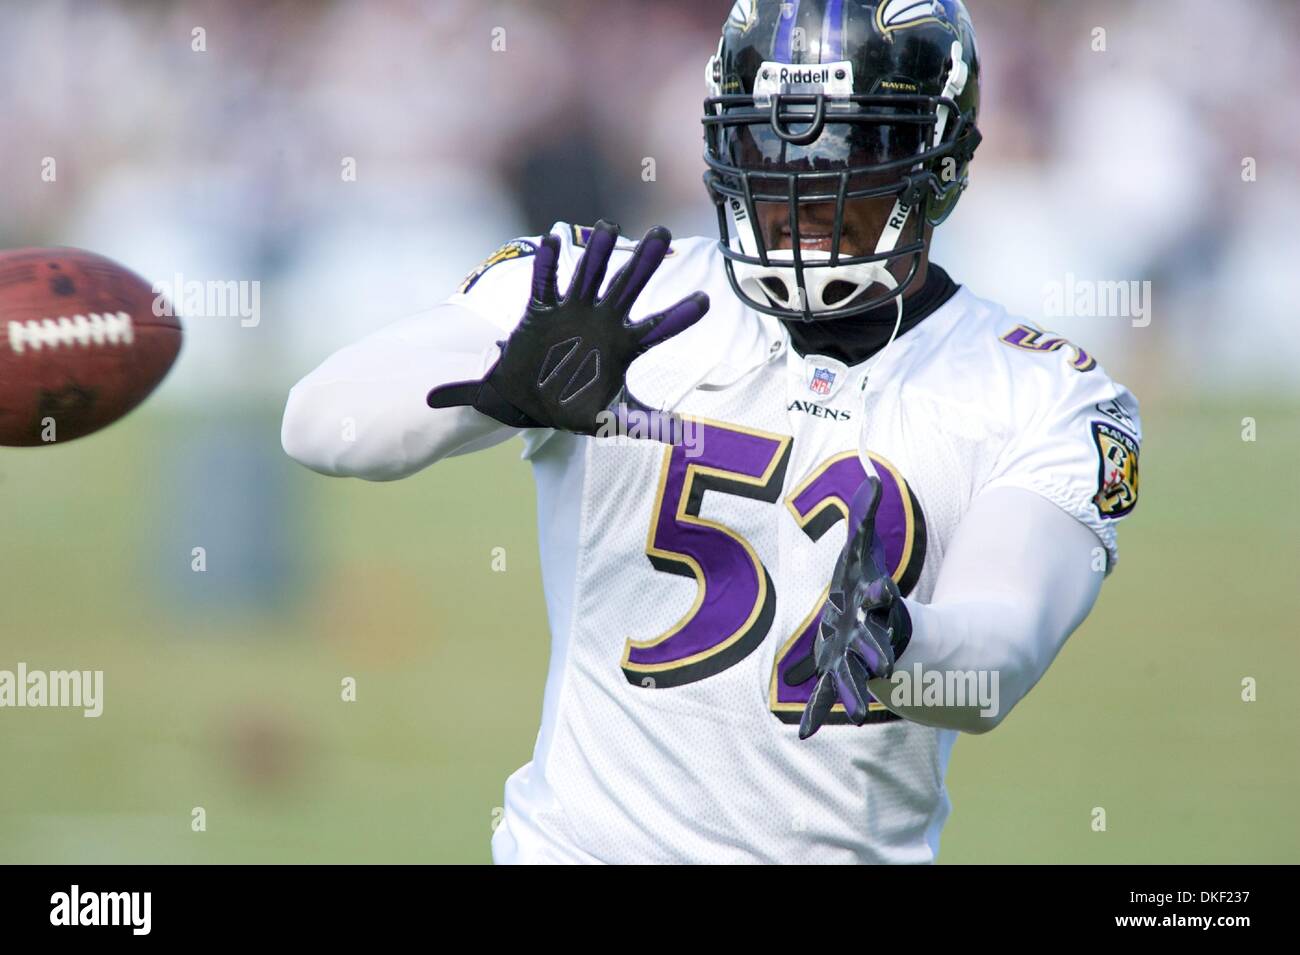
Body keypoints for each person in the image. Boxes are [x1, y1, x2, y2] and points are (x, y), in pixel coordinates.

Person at [281, 0, 1141, 864]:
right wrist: (502, 390)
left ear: (941, 160)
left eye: (855, 145)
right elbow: (319, 423)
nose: (806, 185)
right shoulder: (609, 294)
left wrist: (902, 641)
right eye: (774, 143)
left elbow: (995, 660)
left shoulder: (1036, 387)